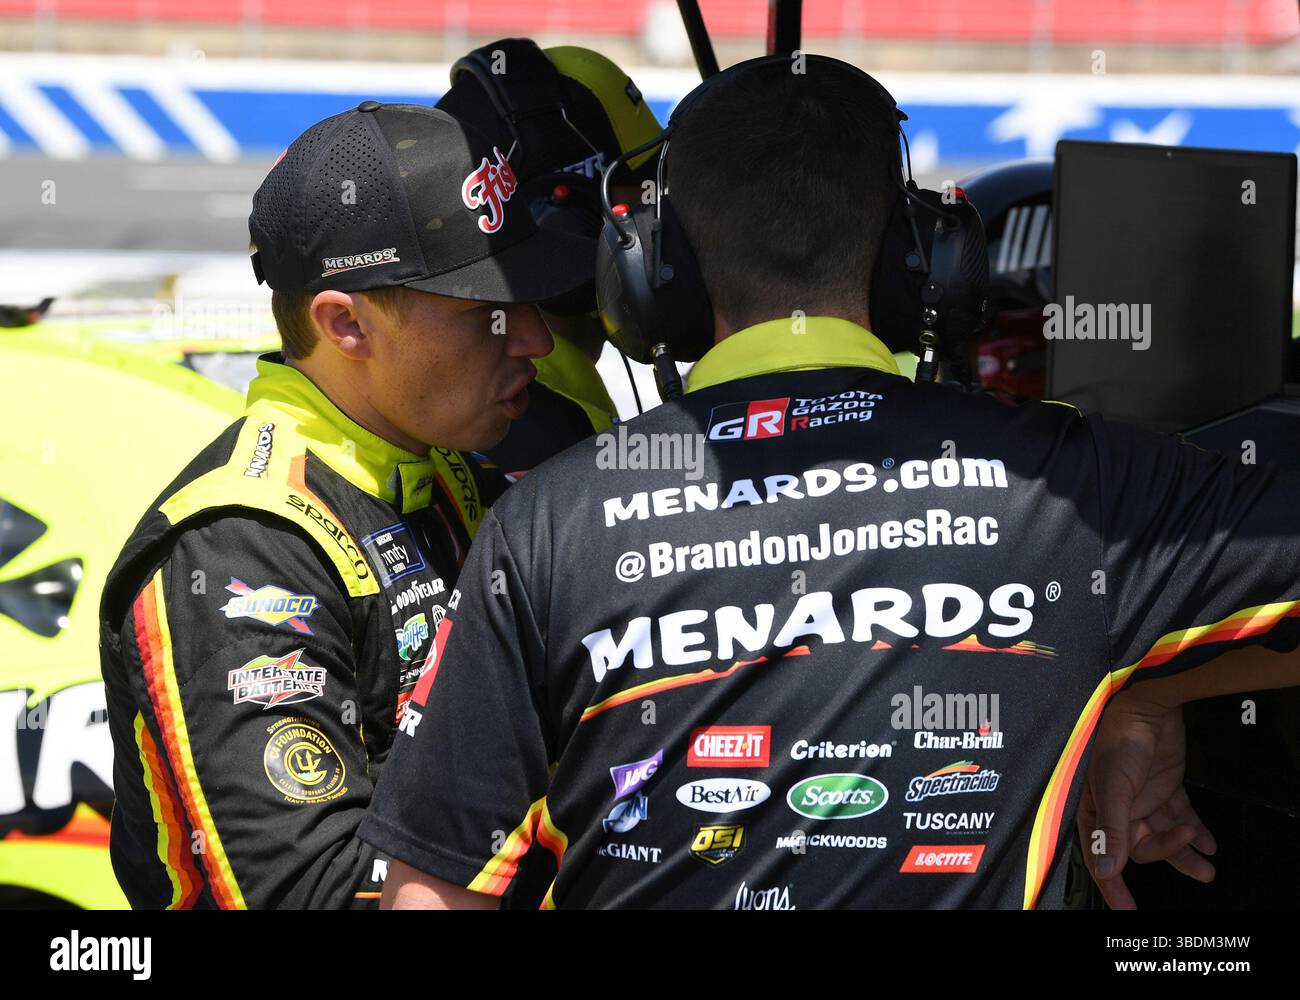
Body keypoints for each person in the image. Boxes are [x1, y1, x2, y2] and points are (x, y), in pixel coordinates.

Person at [359, 56, 1300, 909]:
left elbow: (433, 889)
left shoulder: (542, 524)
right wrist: (1146, 690)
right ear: (921, 256)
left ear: (656, 272)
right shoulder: (1078, 484)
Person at [98, 101, 591, 908]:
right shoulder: (241, 547)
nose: (533, 340)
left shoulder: (437, 470)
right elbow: (304, 890)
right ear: (346, 325)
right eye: (488, 315)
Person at [438, 38, 665, 476]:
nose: (661, 221)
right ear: (568, 224)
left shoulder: (452, 408)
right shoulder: (583, 446)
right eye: (647, 192)